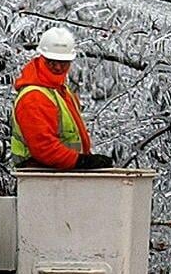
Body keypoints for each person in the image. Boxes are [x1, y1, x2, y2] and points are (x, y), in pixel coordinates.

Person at [10, 27, 113, 170]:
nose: (58, 67)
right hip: (40, 175)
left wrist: (85, 159)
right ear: (41, 59)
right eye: (52, 62)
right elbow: (44, 148)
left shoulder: (60, 91)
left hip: (59, 173)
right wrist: (81, 161)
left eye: (63, 63)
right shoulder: (34, 97)